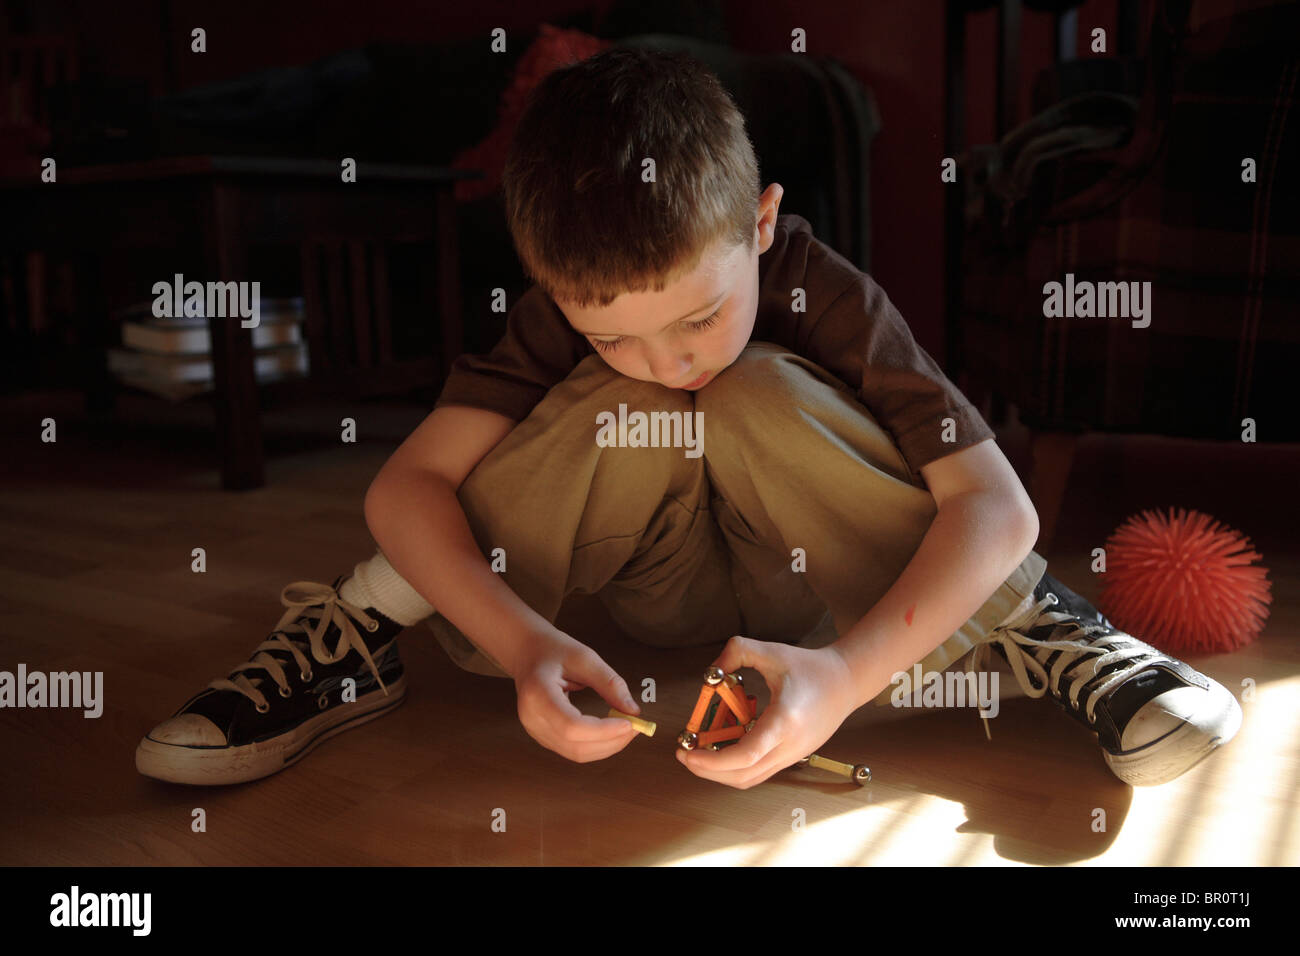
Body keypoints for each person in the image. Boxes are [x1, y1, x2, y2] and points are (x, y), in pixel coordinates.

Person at [136, 47, 1240, 791]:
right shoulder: (557, 321)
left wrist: (843, 681)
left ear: (761, 222)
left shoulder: (827, 290)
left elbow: (992, 503)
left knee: (748, 386)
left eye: (700, 313)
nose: (667, 359)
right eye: (610, 329)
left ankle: (1041, 624)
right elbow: (403, 487)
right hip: (640, 575)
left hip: (805, 583)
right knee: (620, 412)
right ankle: (355, 641)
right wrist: (524, 648)